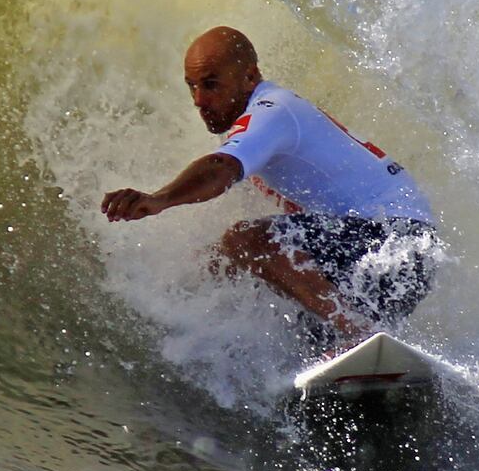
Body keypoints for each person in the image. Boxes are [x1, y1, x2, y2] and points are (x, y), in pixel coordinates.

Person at [100, 26, 439, 348]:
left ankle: (358, 333)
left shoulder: (271, 112)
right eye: (192, 86)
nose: (199, 100)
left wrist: (159, 199)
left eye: (211, 84)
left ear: (249, 77)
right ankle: (360, 348)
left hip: (394, 244)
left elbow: (221, 169)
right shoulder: (257, 124)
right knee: (236, 267)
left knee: (246, 240)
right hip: (393, 262)